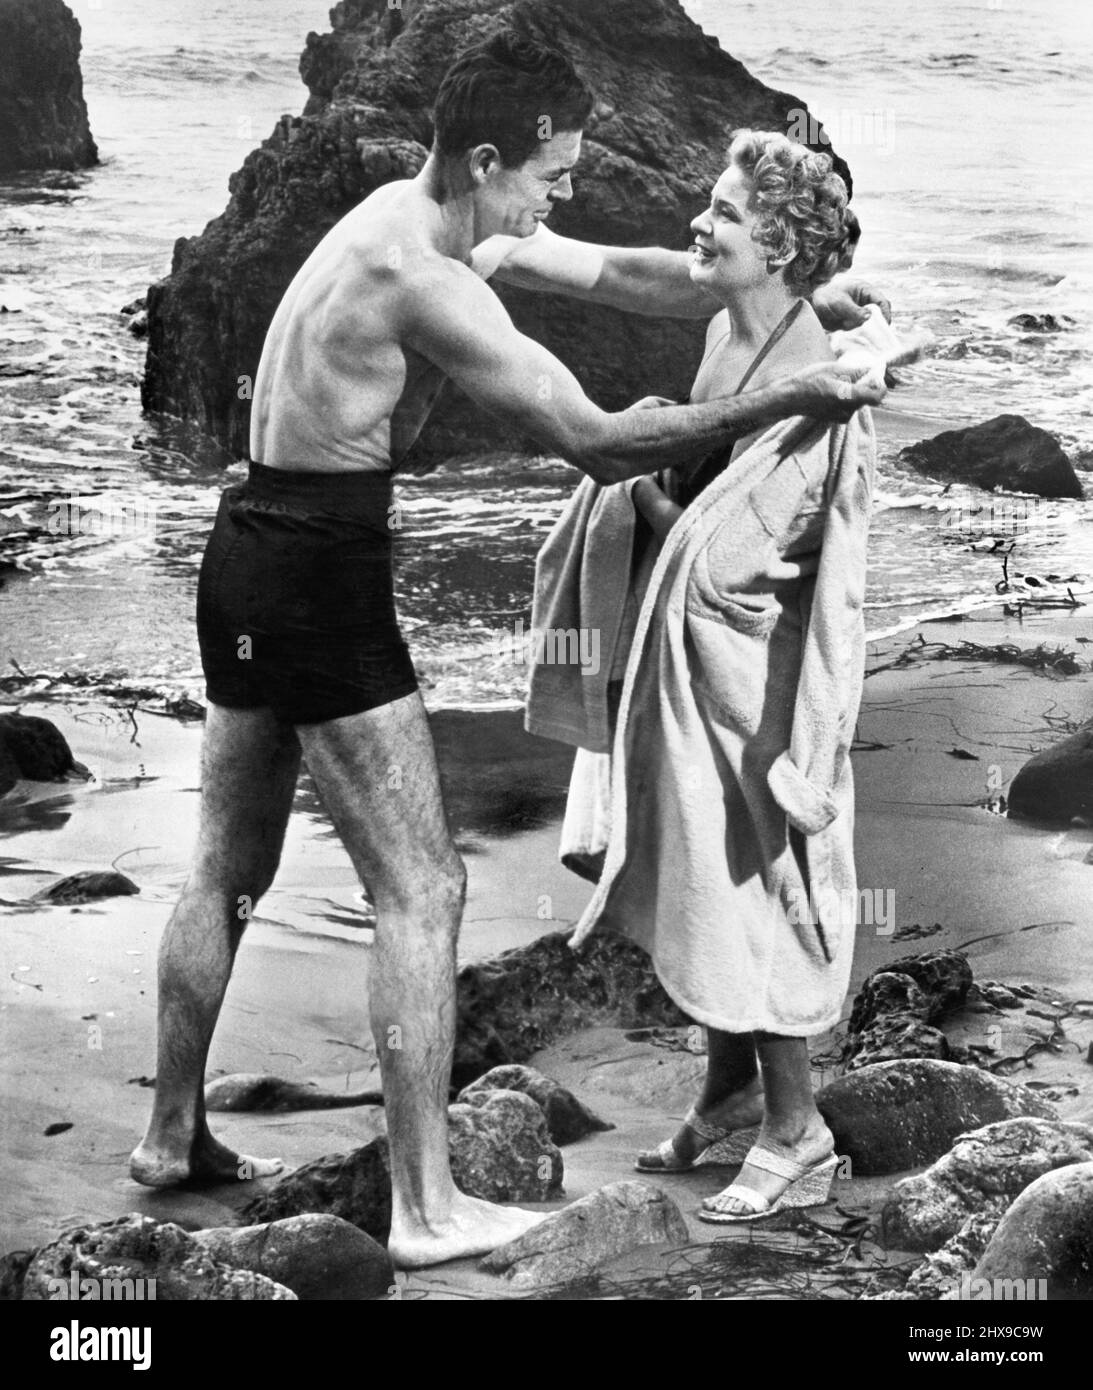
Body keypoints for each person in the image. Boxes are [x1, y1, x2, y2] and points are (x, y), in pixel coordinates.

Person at [129, 31, 885, 1267]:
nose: (563, 194)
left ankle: (172, 1136)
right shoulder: (427, 279)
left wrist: (798, 301)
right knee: (423, 889)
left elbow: (630, 277)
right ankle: (427, 1206)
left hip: (244, 548)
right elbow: (595, 440)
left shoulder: (408, 220)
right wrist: (800, 392)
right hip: (318, 574)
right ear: (489, 161)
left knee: (226, 868)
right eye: (552, 173)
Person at [532, 129, 879, 1223]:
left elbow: (728, 564)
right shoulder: (729, 326)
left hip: (756, 668)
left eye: (723, 212)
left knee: (756, 880)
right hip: (704, 654)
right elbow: (626, 277)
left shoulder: (810, 383)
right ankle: (729, 1093)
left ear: (778, 247)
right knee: (700, 858)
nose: (699, 222)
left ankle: (798, 1132)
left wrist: (627, 477)